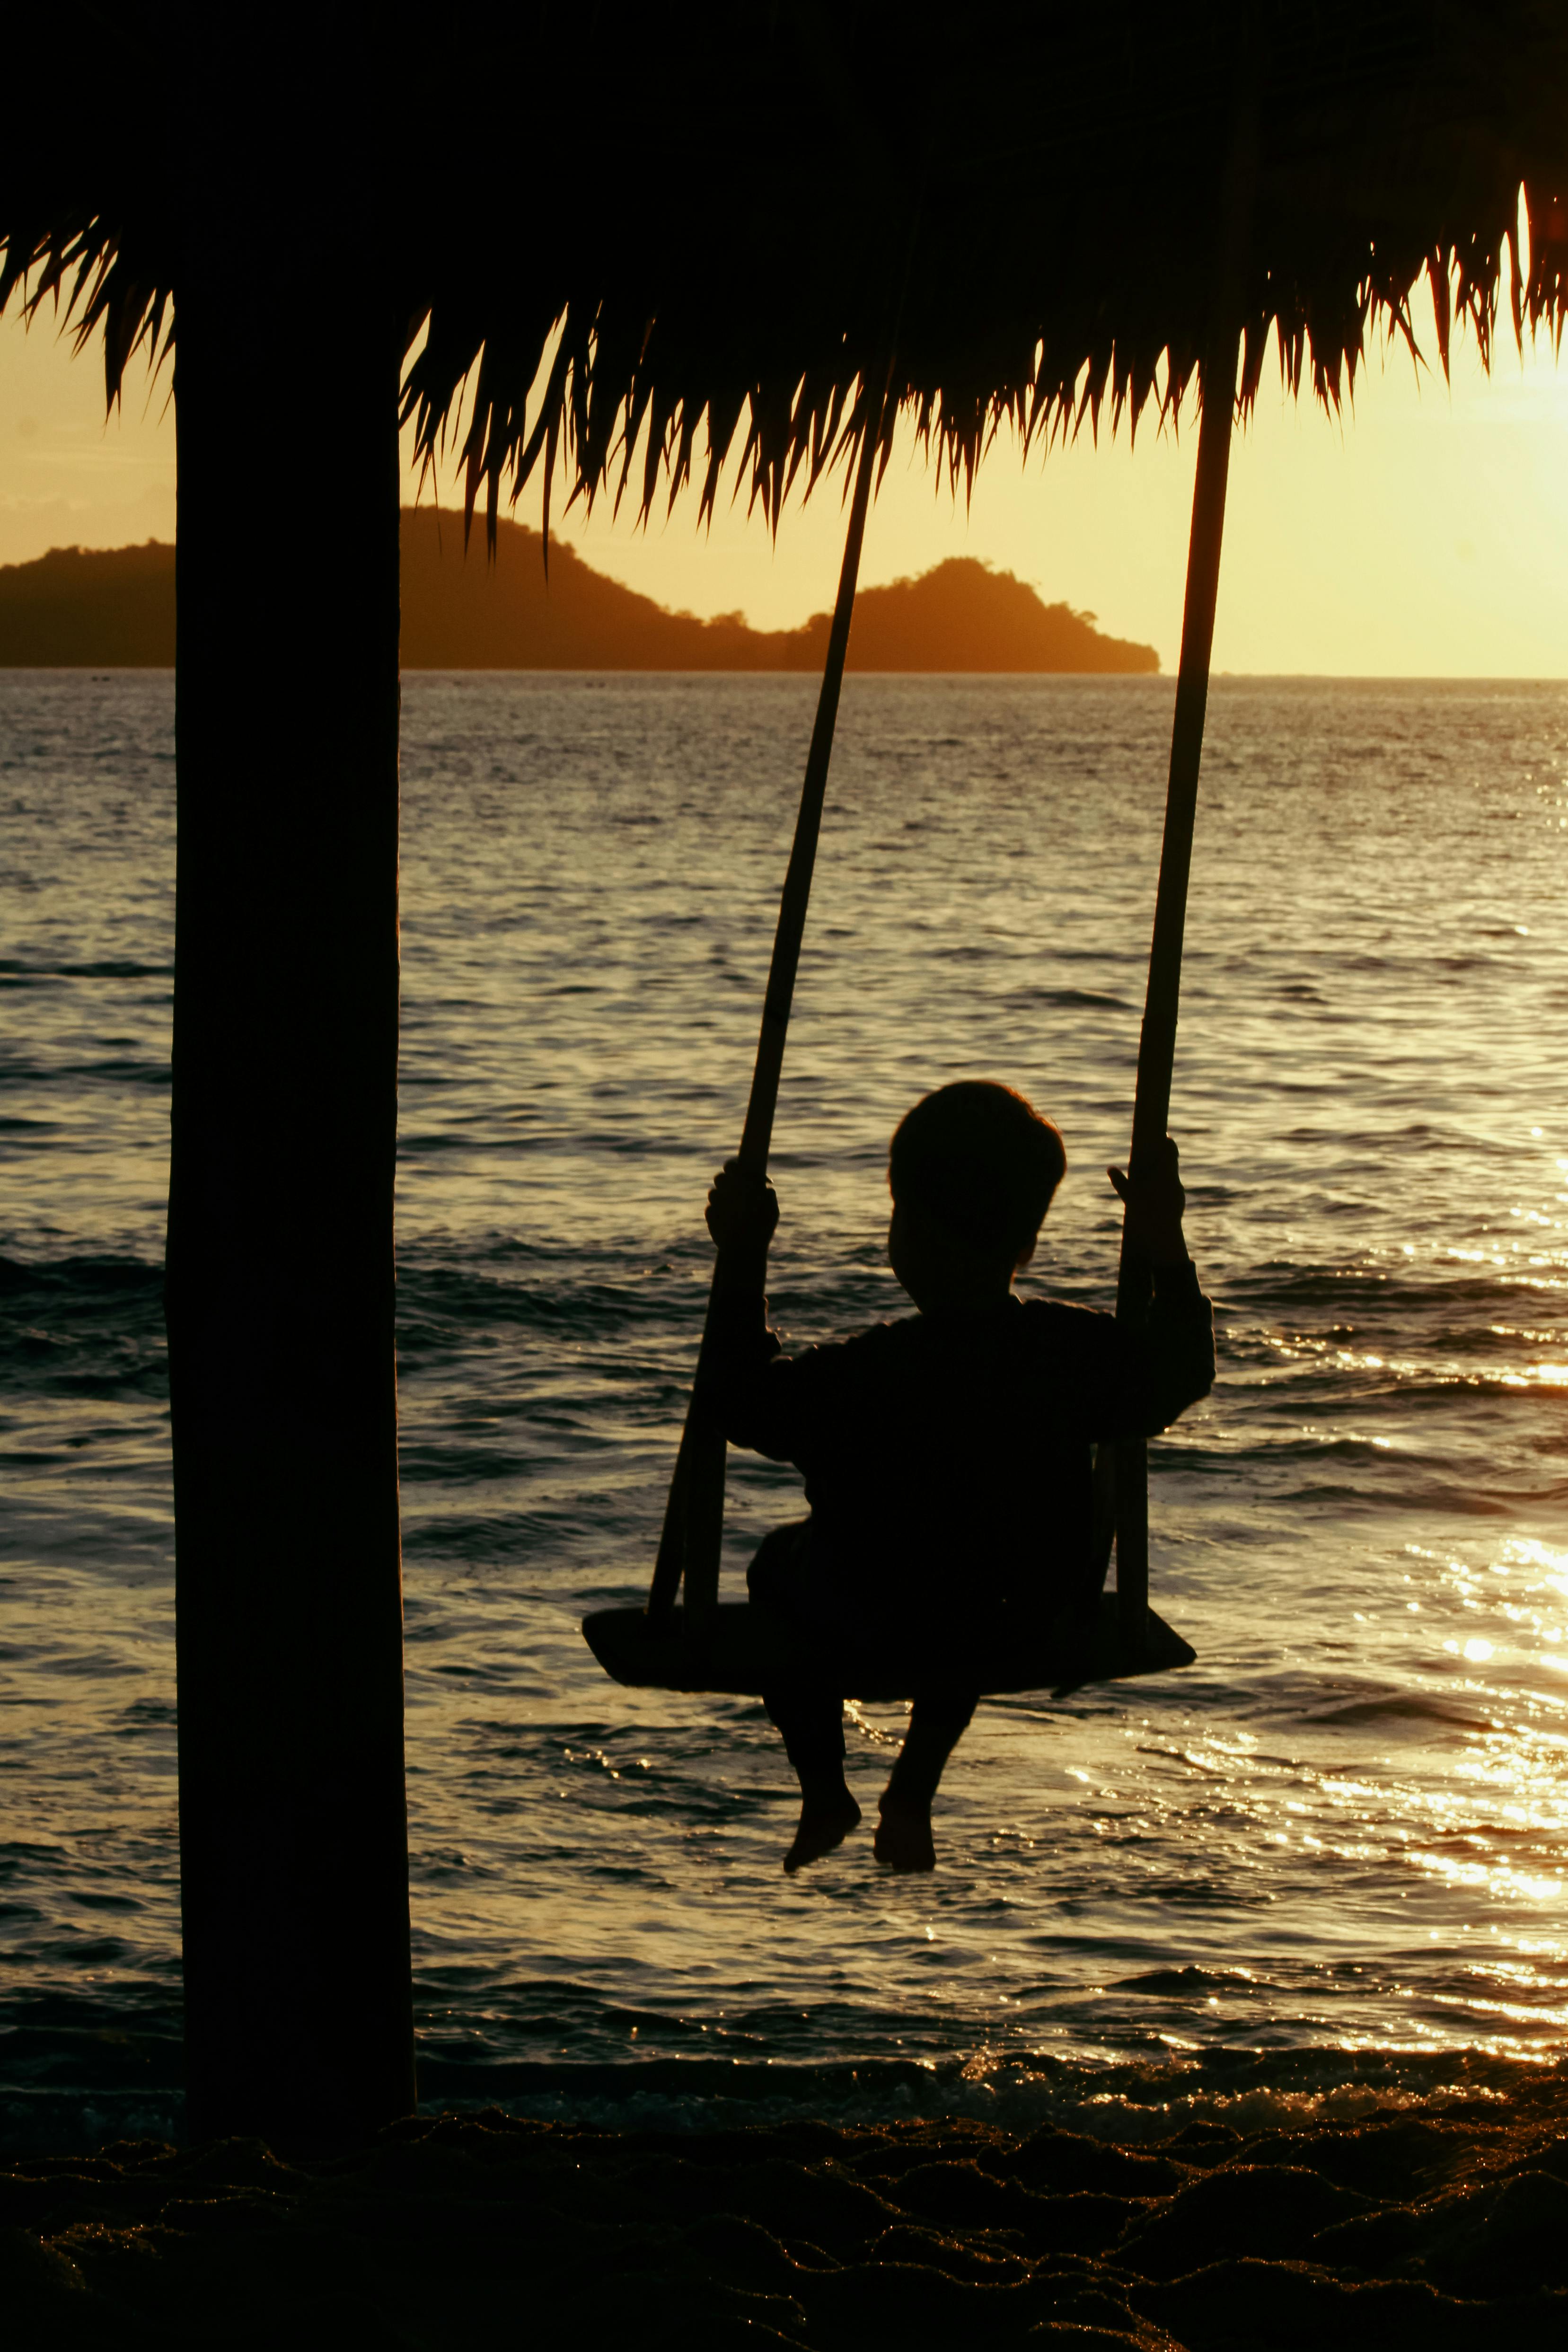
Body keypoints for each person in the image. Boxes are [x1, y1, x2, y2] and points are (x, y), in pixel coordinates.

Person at [702, 1079, 1214, 1875]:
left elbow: (740, 1404)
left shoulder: (866, 1374)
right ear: (1027, 1243)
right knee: (979, 1565)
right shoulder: (1069, 1353)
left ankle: (824, 1786)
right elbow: (1178, 1371)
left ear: (909, 1233)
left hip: (874, 1612)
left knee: (776, 1566)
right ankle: (911, 1792)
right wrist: (1161, 1243)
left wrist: (742, 1255)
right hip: (1021, 1614)